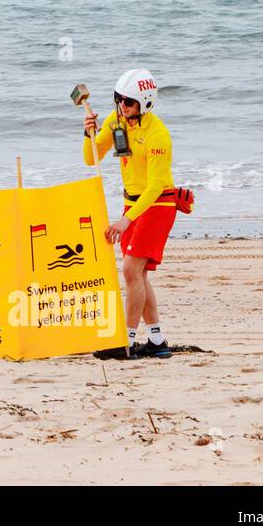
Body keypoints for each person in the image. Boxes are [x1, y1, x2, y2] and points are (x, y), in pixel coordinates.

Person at [82, 69, 179, 360]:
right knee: (139, 274)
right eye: (118, 100)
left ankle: (126, 341)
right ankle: (157, 340)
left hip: (157, 205)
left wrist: (126, 221)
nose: (121, 106)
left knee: (130, 271)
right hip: (132, 204)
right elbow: (91, 159)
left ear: (144, 103)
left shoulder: (158, 135)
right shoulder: (117, 121)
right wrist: (88, 133)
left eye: (128, 102)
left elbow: (155, 187)